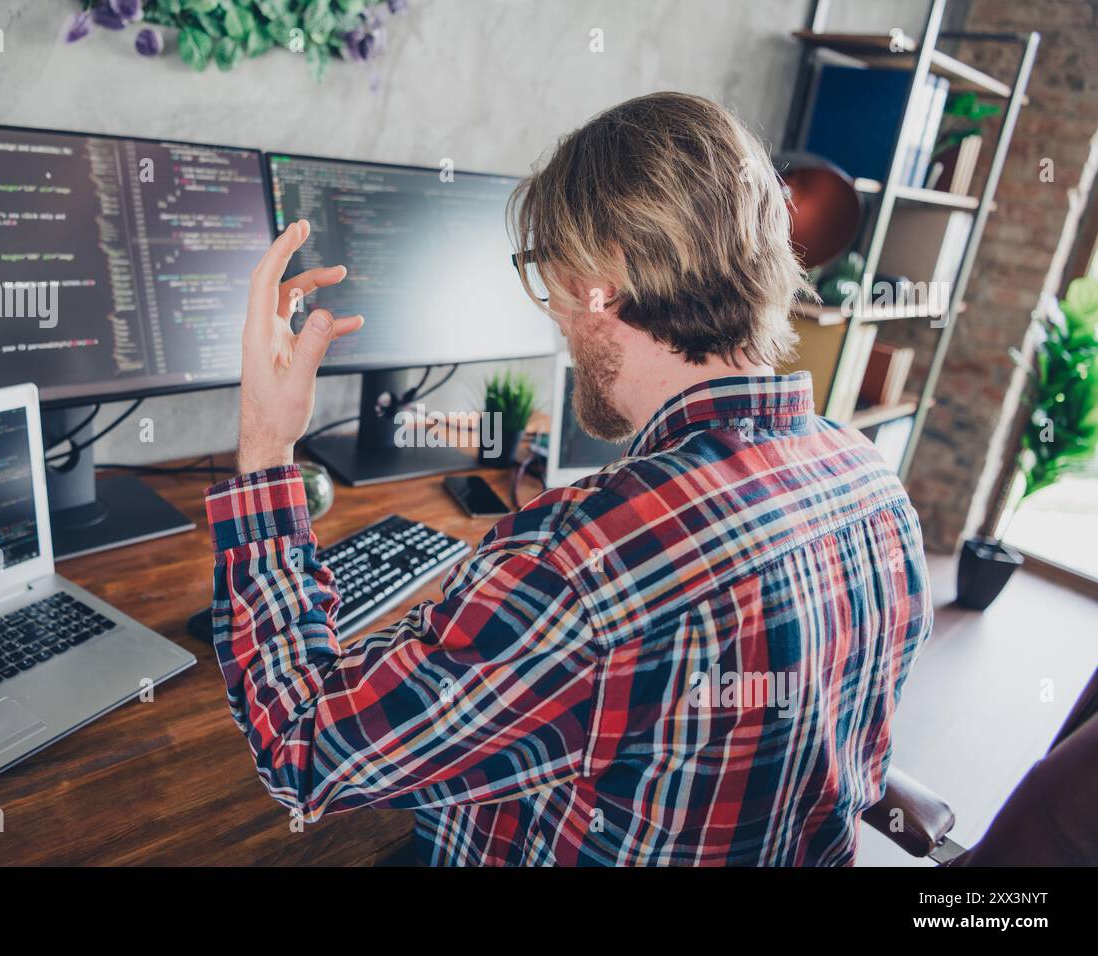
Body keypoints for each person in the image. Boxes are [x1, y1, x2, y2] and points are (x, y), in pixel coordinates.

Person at [205, 91, 933, 866]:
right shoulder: (874, 486)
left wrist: (266, 445)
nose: (549, 305)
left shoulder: (583, 563)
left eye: (545, 268)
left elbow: (302, 745)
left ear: (602, 280)